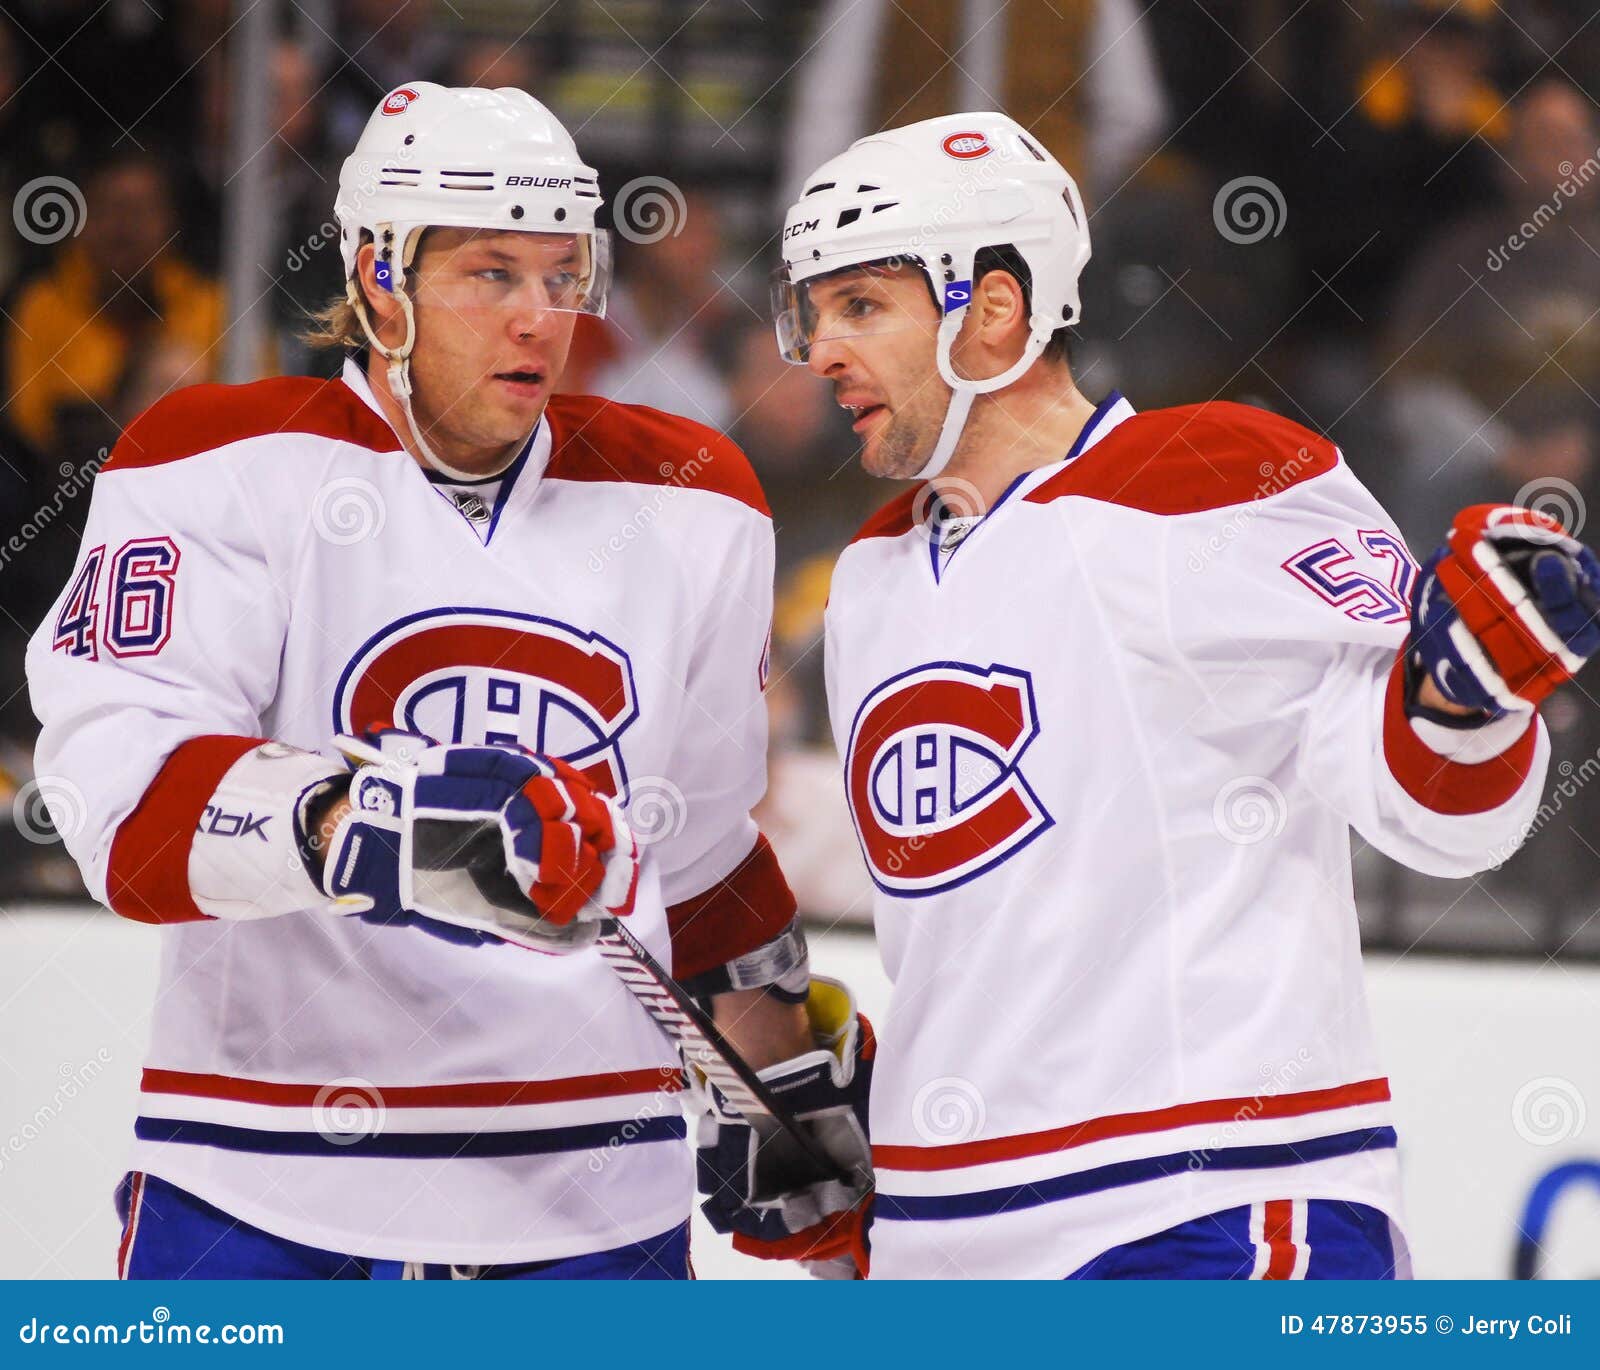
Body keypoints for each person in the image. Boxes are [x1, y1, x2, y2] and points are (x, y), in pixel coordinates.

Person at [723, 111, 1600, 1279]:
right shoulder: (871, 579)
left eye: (861, 307)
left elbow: (1437, 820)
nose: (818, 350)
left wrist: (1462, 694)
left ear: (988, 311)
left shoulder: (1213, 478)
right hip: (948, 1241)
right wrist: (883, 1138)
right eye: (811, 312)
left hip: (1199, 1214)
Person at [26, 83, 869, 1280]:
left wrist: (771, 1066)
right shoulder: (220, 460)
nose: (540, 318)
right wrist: (374, 826)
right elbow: (126, 809)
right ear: (380, 280)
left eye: (561, 275)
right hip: (262, 1187)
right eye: (490, 274)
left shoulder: (690, 496)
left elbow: (698, 850)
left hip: (590, 1202)